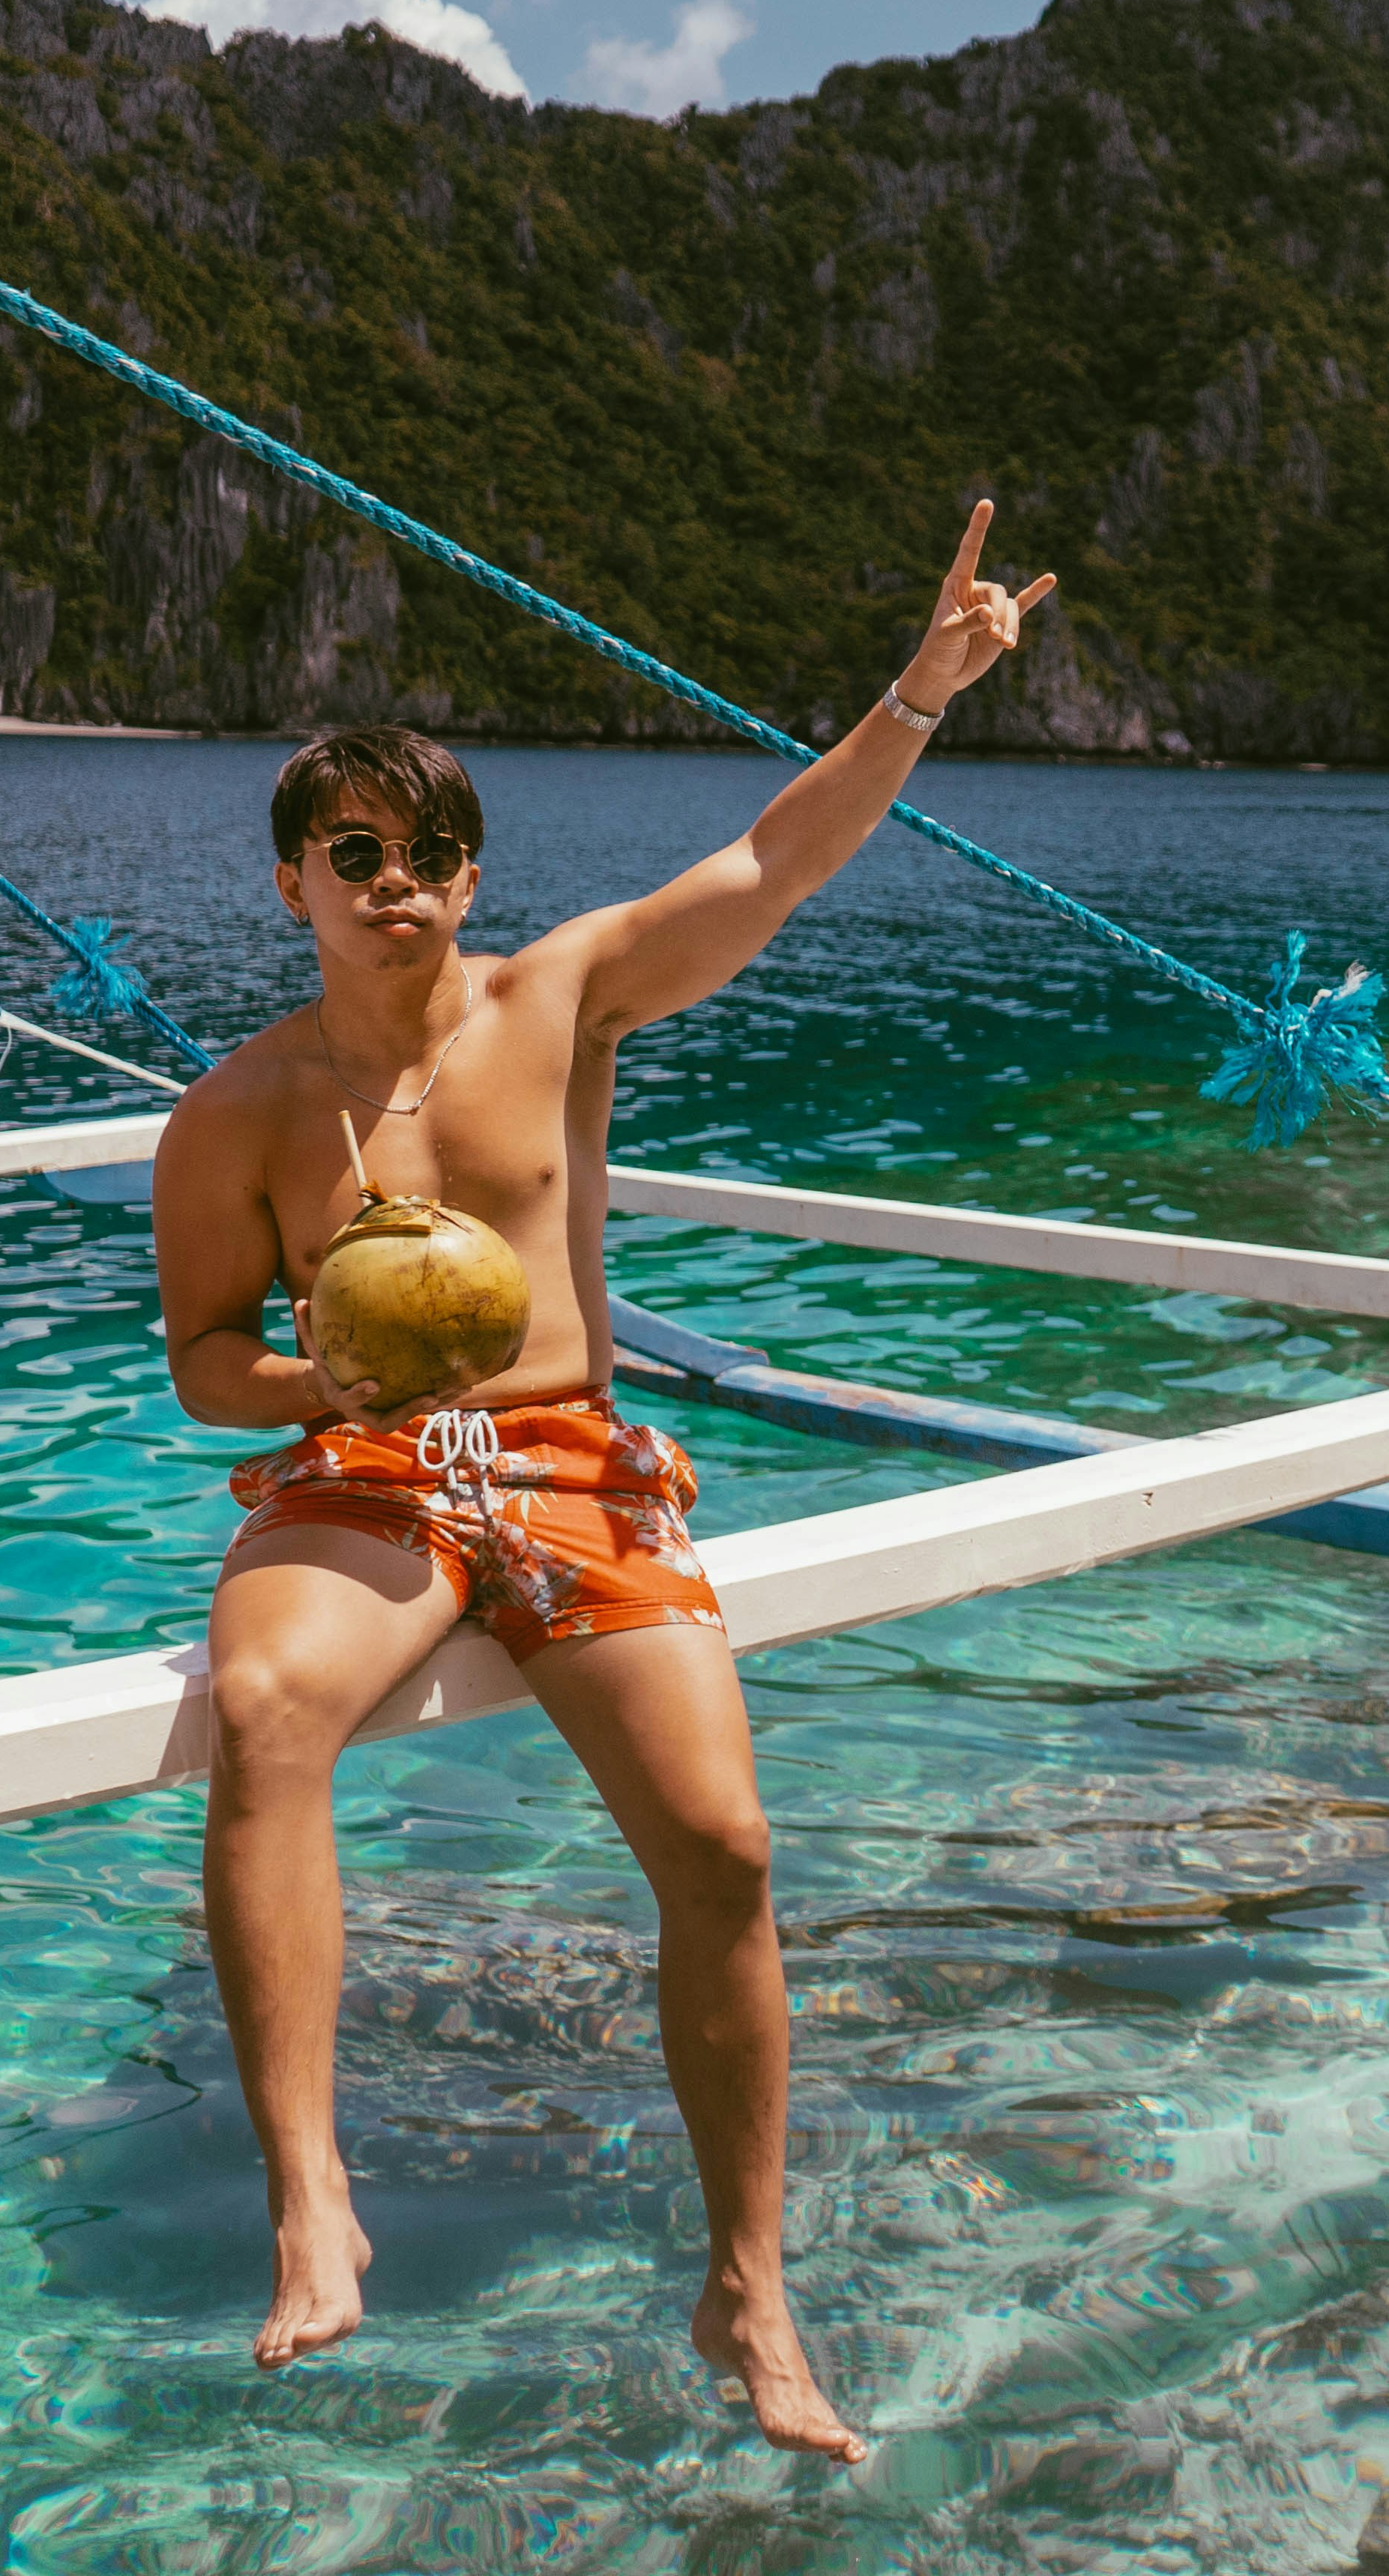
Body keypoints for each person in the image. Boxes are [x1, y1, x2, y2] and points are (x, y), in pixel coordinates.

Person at [148, 500, 1055, 2454]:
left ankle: (749, 2286)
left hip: (570, 1462)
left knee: (726, 1850)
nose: (402, 885)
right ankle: (312, 2188)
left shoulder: (559, 999)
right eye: (359, 856)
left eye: (434, 854)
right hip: (372, 1469)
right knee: (264, 1703)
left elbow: (771, 859)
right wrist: (330, 1364)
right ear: (299, 881)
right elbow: (209, 1365)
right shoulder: (242, 1108)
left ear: (475, 875)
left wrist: (921, 693)